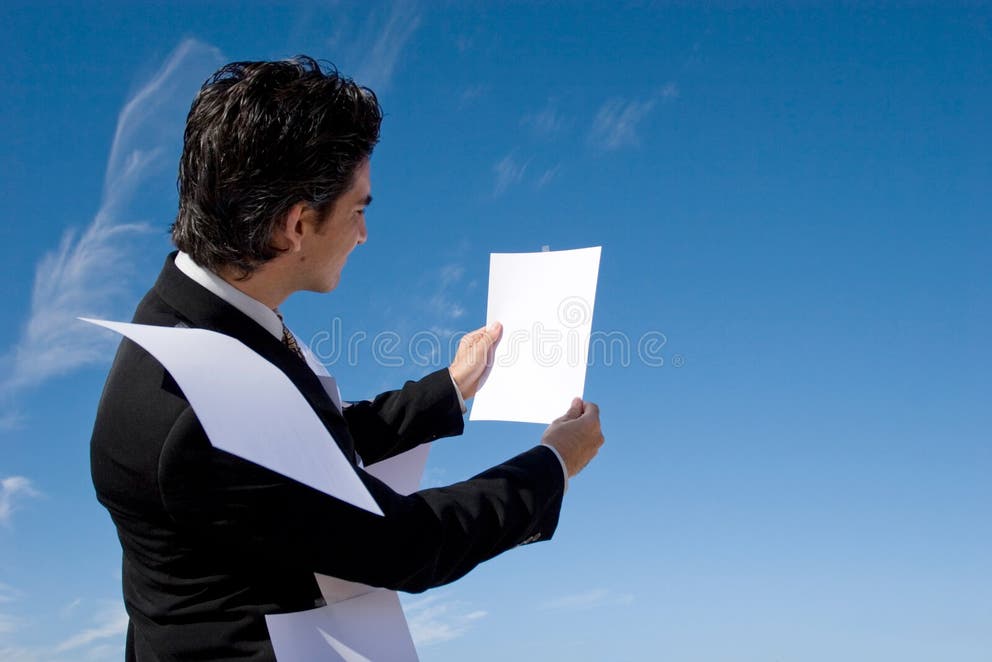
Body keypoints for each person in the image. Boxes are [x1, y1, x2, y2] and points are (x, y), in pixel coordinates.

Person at [90, 56, 604, 661]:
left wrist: (452, 386)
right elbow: (406, 544)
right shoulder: (190, 411)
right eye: (358, 210)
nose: (363, 234)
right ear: (295, 226)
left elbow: (311, 441)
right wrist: (553, 465)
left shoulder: (212, 312)